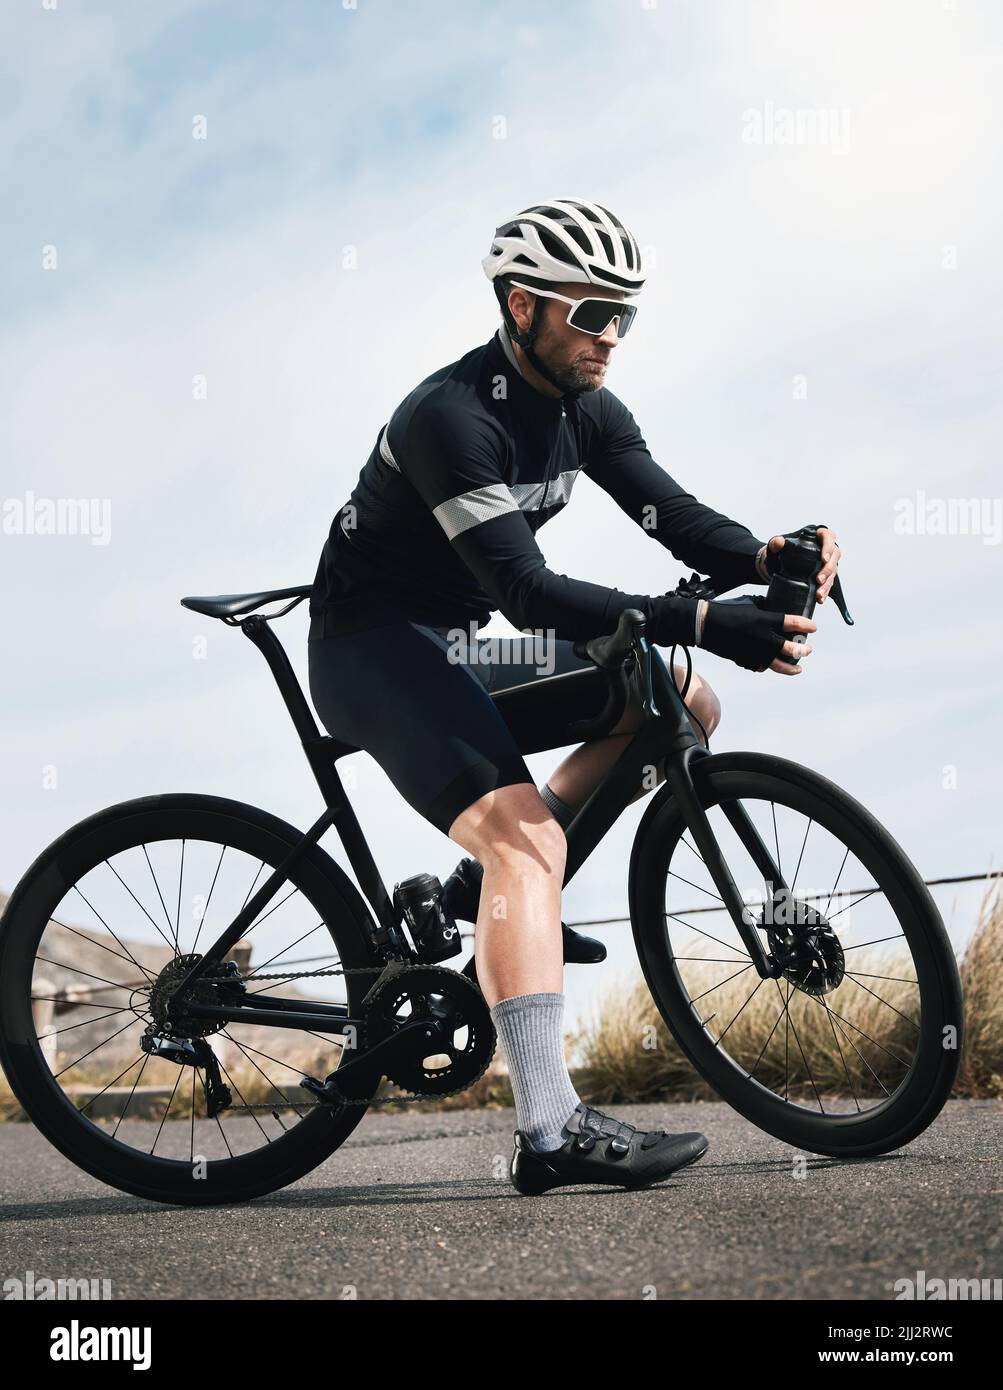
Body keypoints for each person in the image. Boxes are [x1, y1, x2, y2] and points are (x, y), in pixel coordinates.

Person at [308, 198, 842, 1194]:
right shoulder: (448, 417)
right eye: (592, 313)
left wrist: (769, 554)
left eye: (625, 318)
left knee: (680, 703)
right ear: (522, 305)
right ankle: (548, 1132)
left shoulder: (587, 409)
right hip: (371, 648)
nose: (610, 338)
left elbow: (671, 516)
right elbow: (526, 591)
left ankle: (478, 903)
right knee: (528, 840)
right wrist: (700, 618)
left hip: (463, 645)